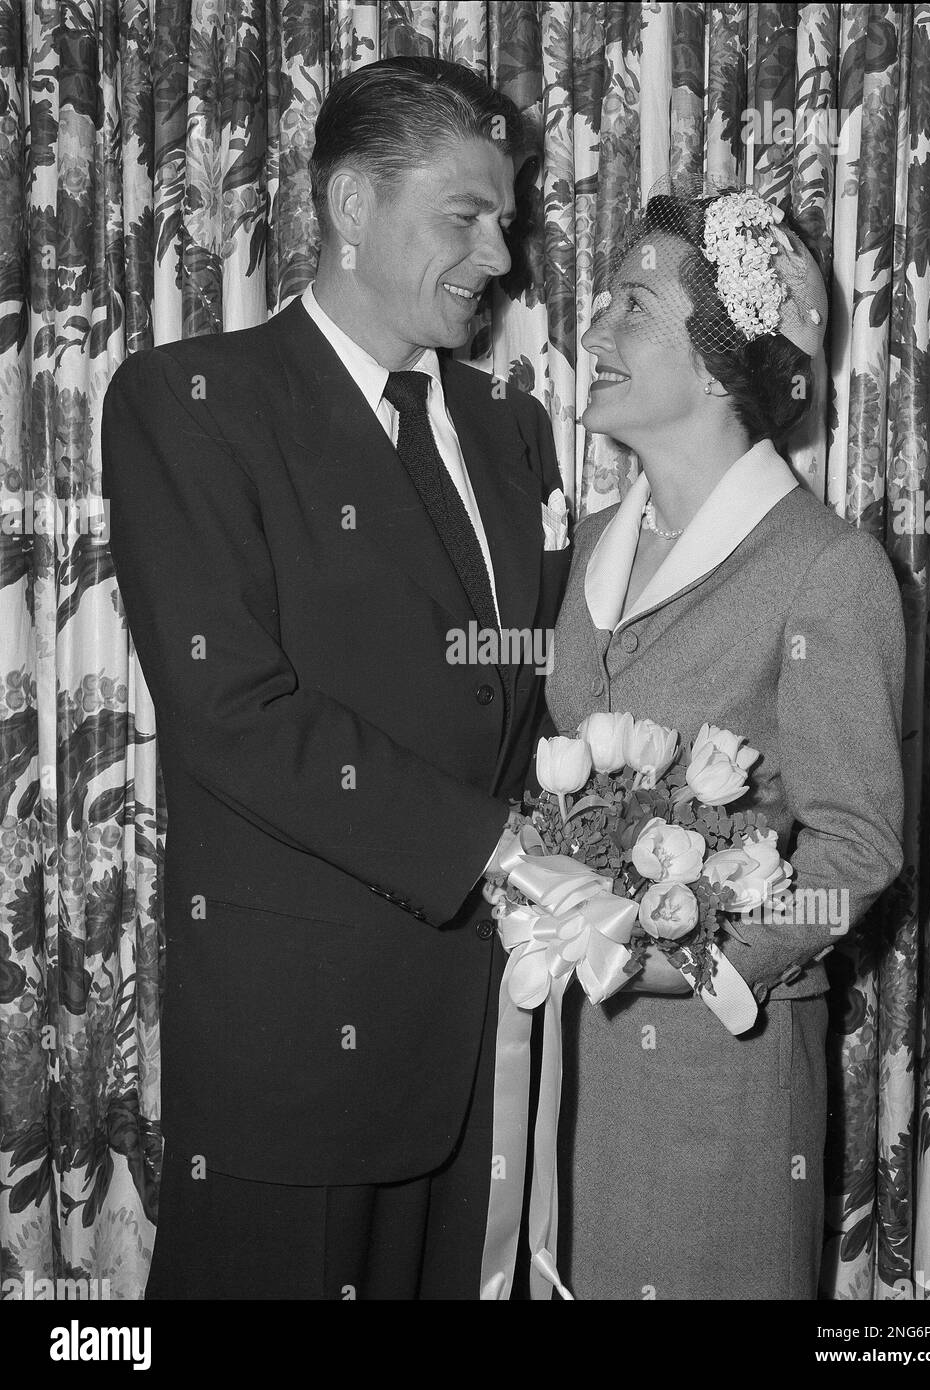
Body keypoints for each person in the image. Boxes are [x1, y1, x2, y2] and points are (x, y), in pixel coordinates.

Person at [100, 56, 569, 1300]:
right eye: (464, 216)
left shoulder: (513, 430)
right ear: (352, 207)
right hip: (298, 1052)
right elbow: (233, 714)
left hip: (485, 1048)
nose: (499, 254)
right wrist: (501, 853)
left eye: (506, 220)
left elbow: (516, 683)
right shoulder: (192, 403)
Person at [545, 188, 905, 1299]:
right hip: (559, 1069)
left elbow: (855, 852)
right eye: (602, 299)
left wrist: (683, 955)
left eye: (633, 307)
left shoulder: (826, 567)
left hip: (720, 1082)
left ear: (715, 366)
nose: (592, 331)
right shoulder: (583, 545)